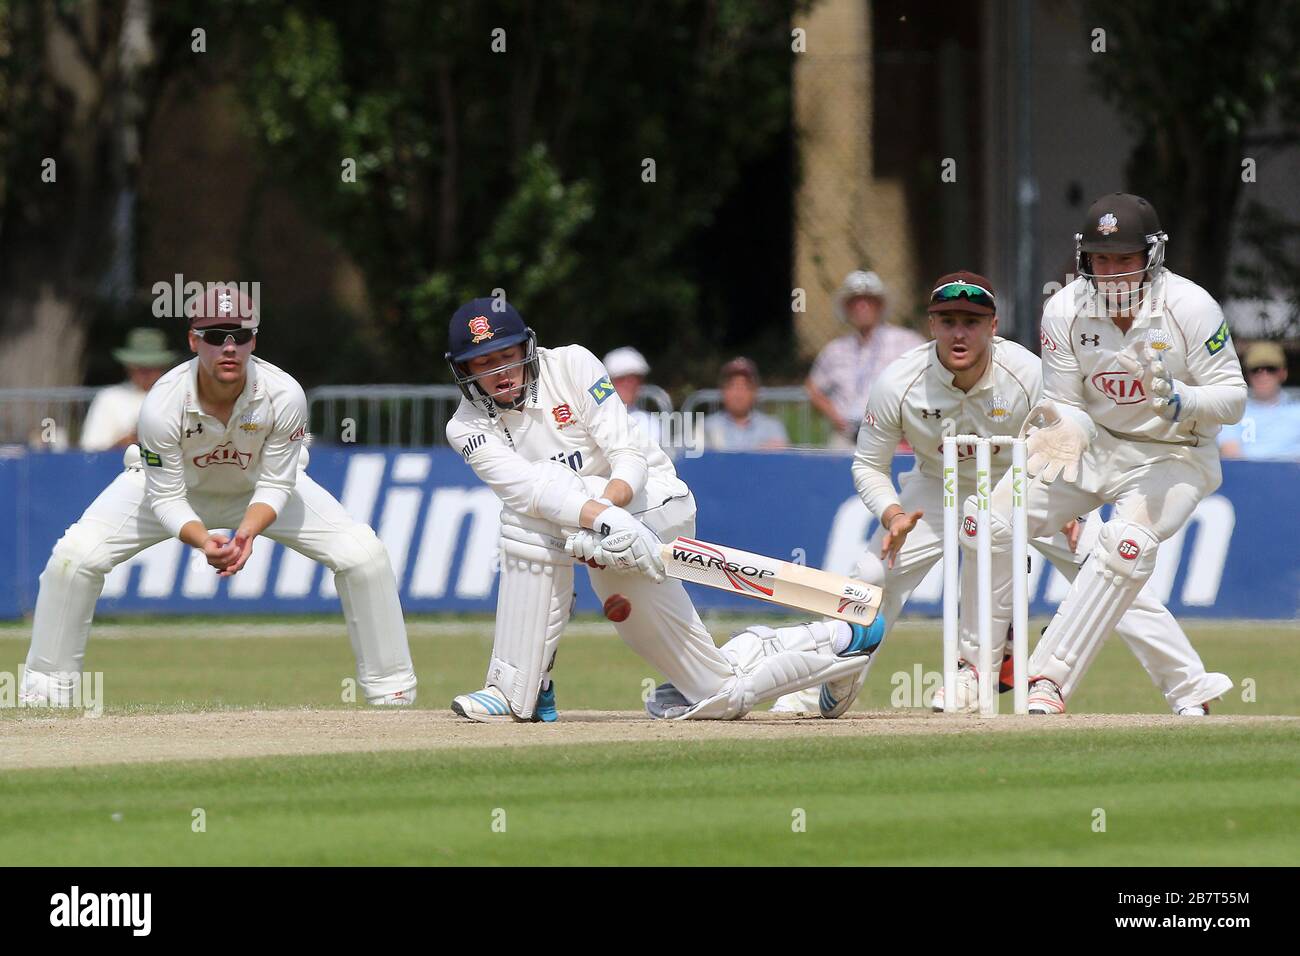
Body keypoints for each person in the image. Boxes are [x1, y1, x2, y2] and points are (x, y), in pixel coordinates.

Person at [772, 272, 1230, 717]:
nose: (959, 334)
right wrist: (891, 512)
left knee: (1108, 566)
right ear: (931, 325)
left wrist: (1070, 503)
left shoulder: (1027, 373)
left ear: (993, 327)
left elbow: (1073, 431)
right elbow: (868, 465)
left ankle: (1189, 687)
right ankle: (818, 691)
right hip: (937, 487)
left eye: (971, 323)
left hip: (1025, 481)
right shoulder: (899, 381)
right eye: (948, 321)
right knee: (871, 574)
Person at [443, 298, 884, 722]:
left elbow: (628, 453)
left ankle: (514, 686)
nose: (499, 372)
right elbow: (527, 489)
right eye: (482, 364)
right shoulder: (465, 427)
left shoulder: (573, 364)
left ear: (527, 347)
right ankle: (841, 640)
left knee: (532, 512)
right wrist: (603, 522)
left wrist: (611, 512)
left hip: (654, 503)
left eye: (506, 354)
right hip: (588, 530)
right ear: (464, 371)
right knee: (718, 694)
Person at [20, 286, 417, 707]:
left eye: (239, 335)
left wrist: (245, 533)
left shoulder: (284, 394)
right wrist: (203, 539)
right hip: (172, 491)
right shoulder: (161, 404)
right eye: (215, 336)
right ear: (193, 341)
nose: (228, 347)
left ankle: (391, 693)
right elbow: (167, 496)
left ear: (254, 341)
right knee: (75, 558)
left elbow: (278, 484)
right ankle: (46, 697)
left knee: (365, 556)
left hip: (257, 488)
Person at [968, 192, 1246, 715]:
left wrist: (1183, 401)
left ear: (1151, 257)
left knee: (1124, 547)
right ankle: (976, 664)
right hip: (1095, 447)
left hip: (1174, 454)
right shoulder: (1065, 308)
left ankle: (1047, 680)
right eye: (1101, 259)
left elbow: (1233, 399)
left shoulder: (1190, 306)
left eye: (1124, 259)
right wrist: (1063, 442)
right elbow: (1063, 401)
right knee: (987, 520)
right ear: (1084, 259)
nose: (1112, 272)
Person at [806, 270, 924, 448]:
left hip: (891, 437)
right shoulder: (835, 350)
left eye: (868, 300)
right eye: (855, 301)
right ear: (846, 308)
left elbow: (930, 379)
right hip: (846, 437)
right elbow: (812, 387)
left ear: (880, 305)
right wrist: (835, 416)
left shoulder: (906, 341)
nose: (861, 307)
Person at [80, 328, 179, 451]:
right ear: (128, 367)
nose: (146, 373)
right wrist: (130, 440)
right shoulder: (109, 398)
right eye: (139, 367)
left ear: (163, 367)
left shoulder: (179, 397)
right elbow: (92, 451)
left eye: (153, 366)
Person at [1218, 340, 1300, 460]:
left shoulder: (1297, 411)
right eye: (1256, 369)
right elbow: (1231, 456)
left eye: (1271, 369)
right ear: (1247, 375)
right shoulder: (1233, 413)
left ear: (1283, 373)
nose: (1263, 375)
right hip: (1247, 476)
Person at [702, 357, 788, 451]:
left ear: (755, 392)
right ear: (723, 391)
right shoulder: (706, 427)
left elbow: (784, 462)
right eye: (732, 386)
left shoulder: (772, 428)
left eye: (745, 386)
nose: (738, 394)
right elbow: (692, 460)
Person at [603, 346, 662, 447]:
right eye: (621, 379)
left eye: (635, 379)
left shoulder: (649, 423)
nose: (629, 384)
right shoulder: (593, 420)